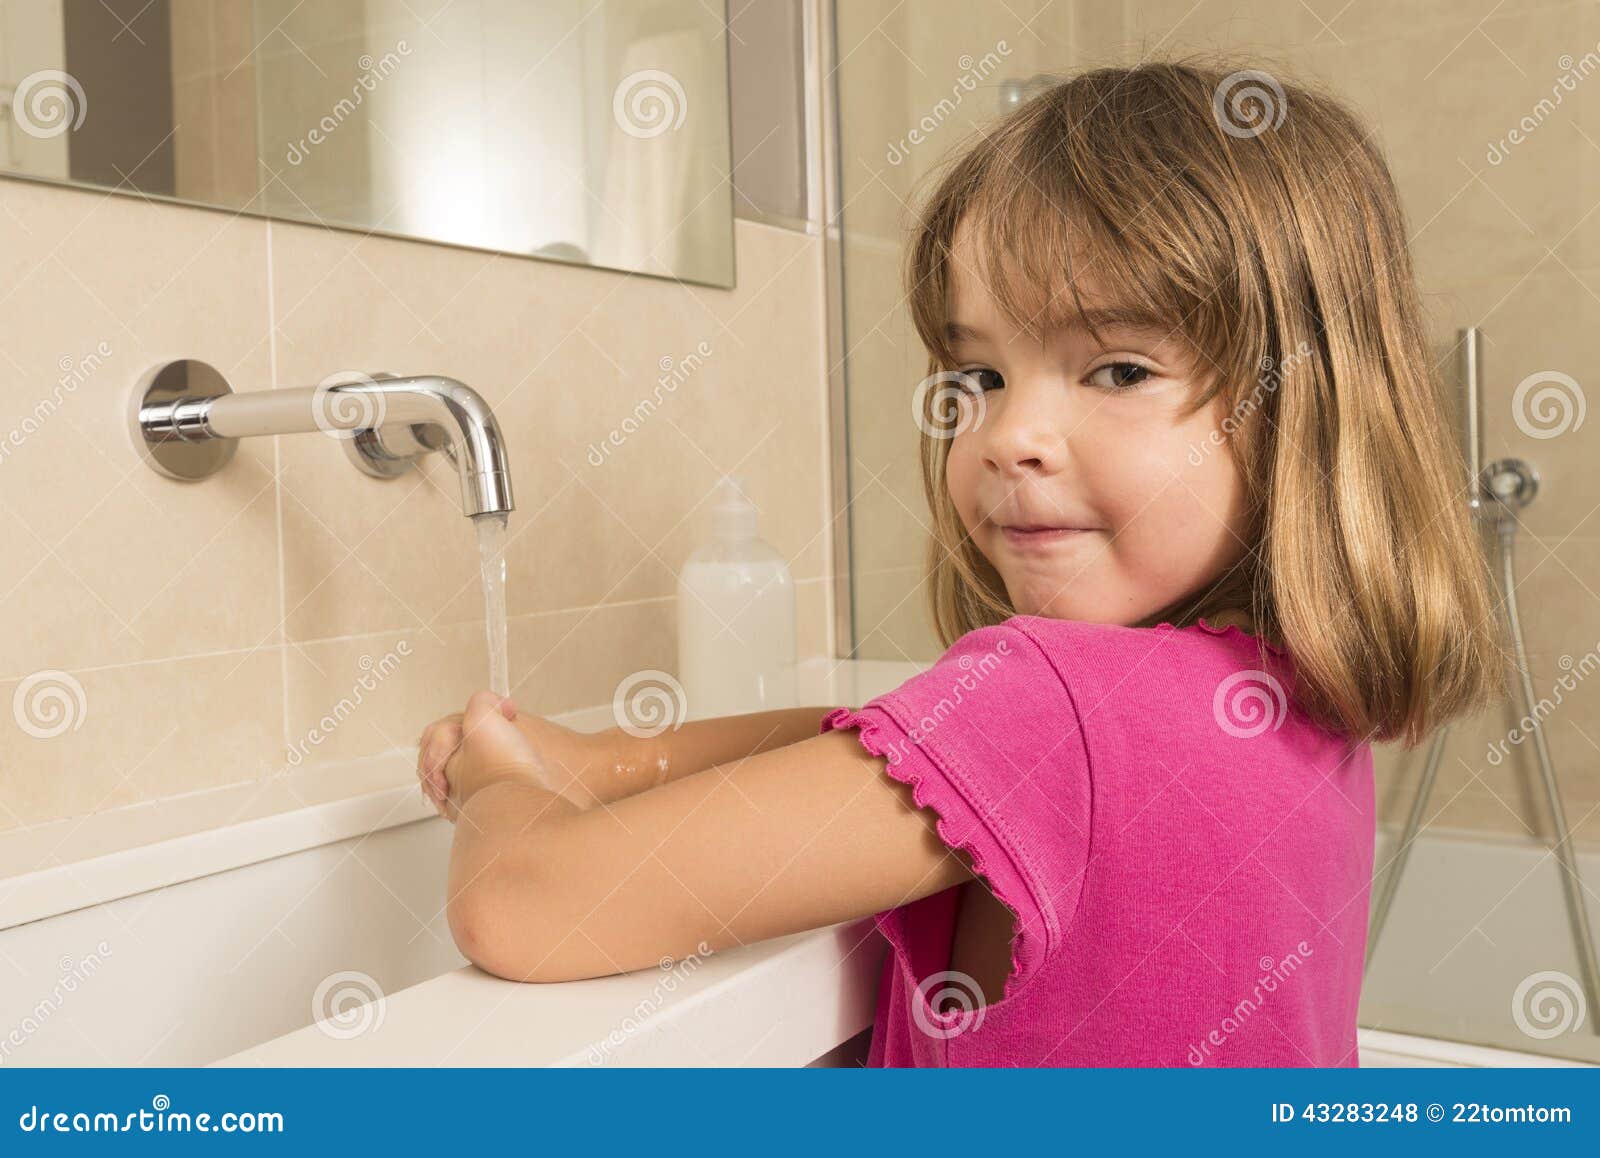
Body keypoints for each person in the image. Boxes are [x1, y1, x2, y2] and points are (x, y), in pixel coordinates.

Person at [416, 59, 1508, 1066]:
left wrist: (498, 785)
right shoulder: (1270, 689)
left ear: (1298, 415)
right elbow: (896, 735)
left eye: (1118, 369)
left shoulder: (1051, 706)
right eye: (977, 374)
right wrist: (600, 762)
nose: (1006, 435)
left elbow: (521, 904)